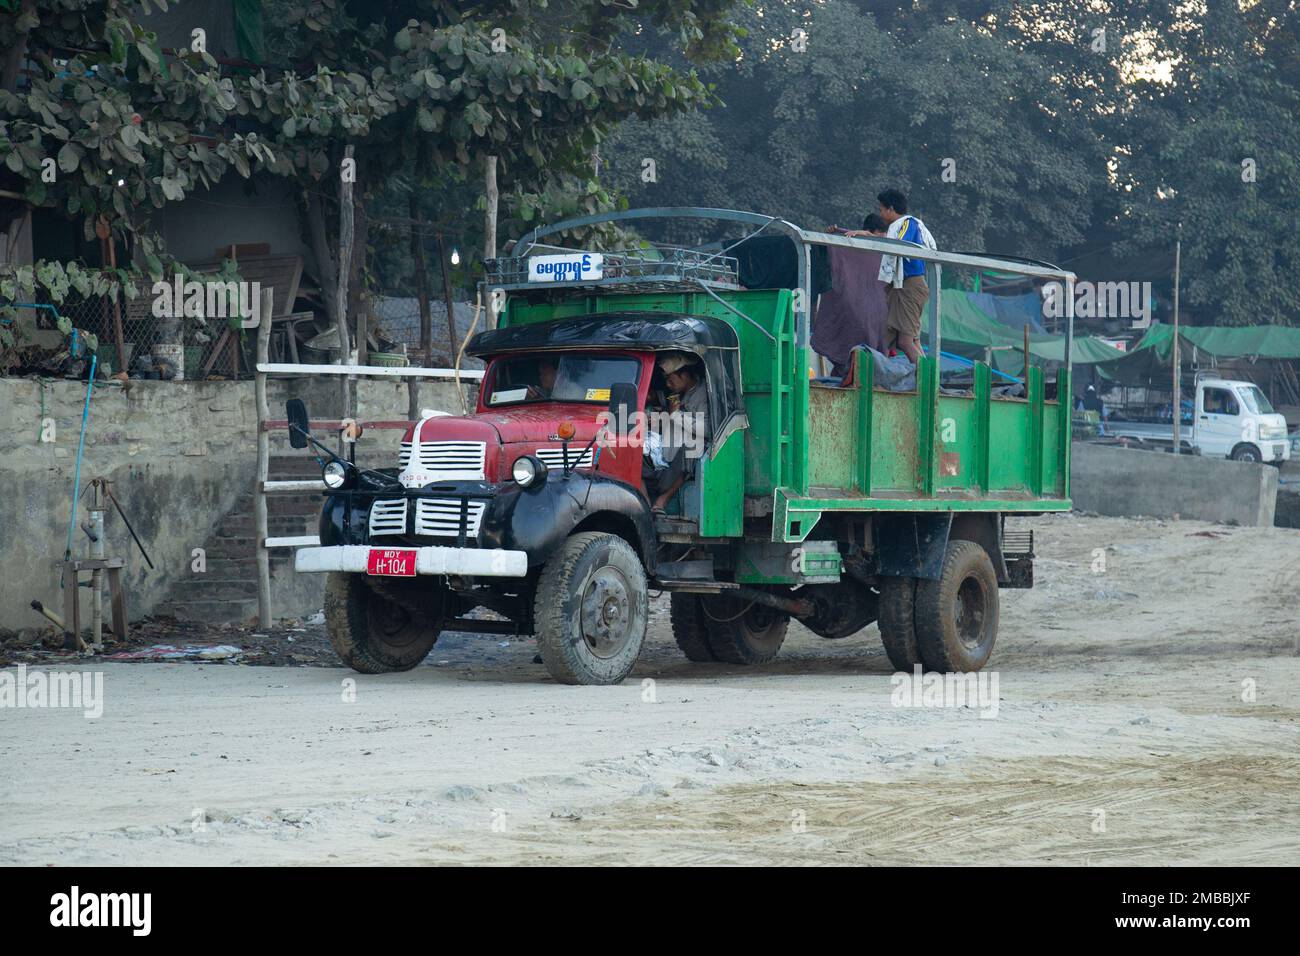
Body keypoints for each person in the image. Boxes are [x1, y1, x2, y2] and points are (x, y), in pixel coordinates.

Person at [876, 188, 936, 365]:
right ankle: (881, 376)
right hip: (901, 286)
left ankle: (928, 383)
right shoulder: (897, 227)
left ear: (891, 209)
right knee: (893, 338)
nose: (880, 213)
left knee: (906, 341)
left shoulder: (907, 223)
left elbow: (899, 243)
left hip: (910, 285)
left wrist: (874, 236)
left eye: (881, 209)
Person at [650, 352, 709, 512]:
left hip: (691, 449)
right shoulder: (676, 394)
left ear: (684, 375)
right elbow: (666, 404)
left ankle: (663, 499)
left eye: (671, 380)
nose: (668, 384)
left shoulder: (703, 394)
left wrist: (676, 415)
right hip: (668, 446)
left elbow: (707, 429)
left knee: (690, 450)